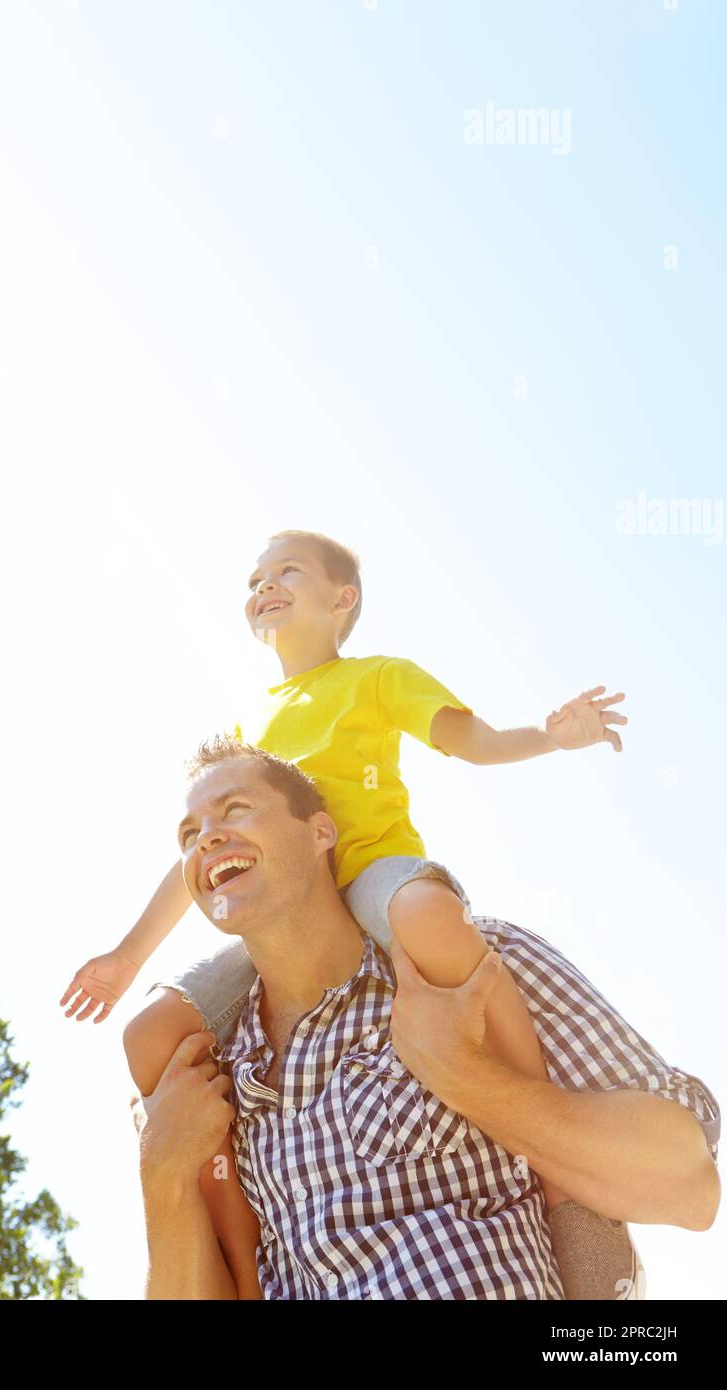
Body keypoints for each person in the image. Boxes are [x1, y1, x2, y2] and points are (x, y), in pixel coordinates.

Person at [62, 528, 633, 1295]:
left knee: (432, 919)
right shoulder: (244, 734)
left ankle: (560, 1166)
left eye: (285, 571)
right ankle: (243, 1256)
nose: (262, 584)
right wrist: (128, 958)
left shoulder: (377, 678)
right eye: (254, 576)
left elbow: (470, 741)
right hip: (287, 907)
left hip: (367, 878)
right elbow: (204, 855)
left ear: (342, 600)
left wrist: (550, 738)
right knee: (152, 1035)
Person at [130, 740, 720, 1299]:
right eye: (189, 834)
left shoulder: (474, 965)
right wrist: (162, 1178)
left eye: (235, 808)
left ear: (320, 832)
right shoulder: (208, 1076)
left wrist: (464, 1074)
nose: (207, 838)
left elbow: (689, 1189)